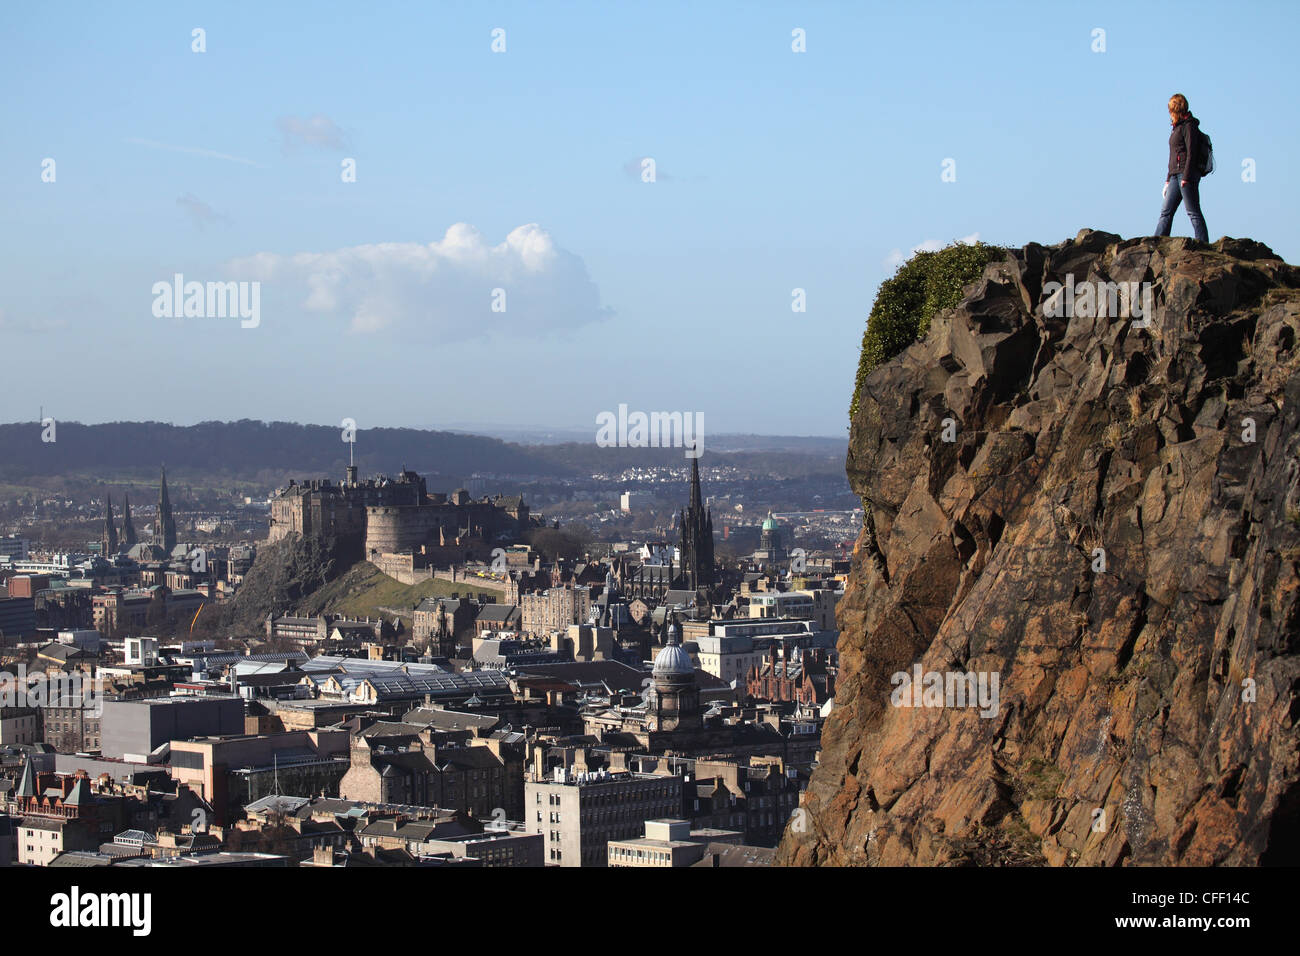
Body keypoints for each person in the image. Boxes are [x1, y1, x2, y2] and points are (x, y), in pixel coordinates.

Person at [1155, 94, 1209, 242]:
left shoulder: (1188, 126)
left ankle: (1203, 242)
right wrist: (1167, 180)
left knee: (1193, 212)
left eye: (1170, 109)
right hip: (1174, 175)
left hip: (1186, 175)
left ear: (1176, 109)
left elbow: (1191, 152)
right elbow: (1173, 156)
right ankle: (1157, 241)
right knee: (1166, 212)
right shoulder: (1176, 127)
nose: (1169, 112)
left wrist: (1186, 176)